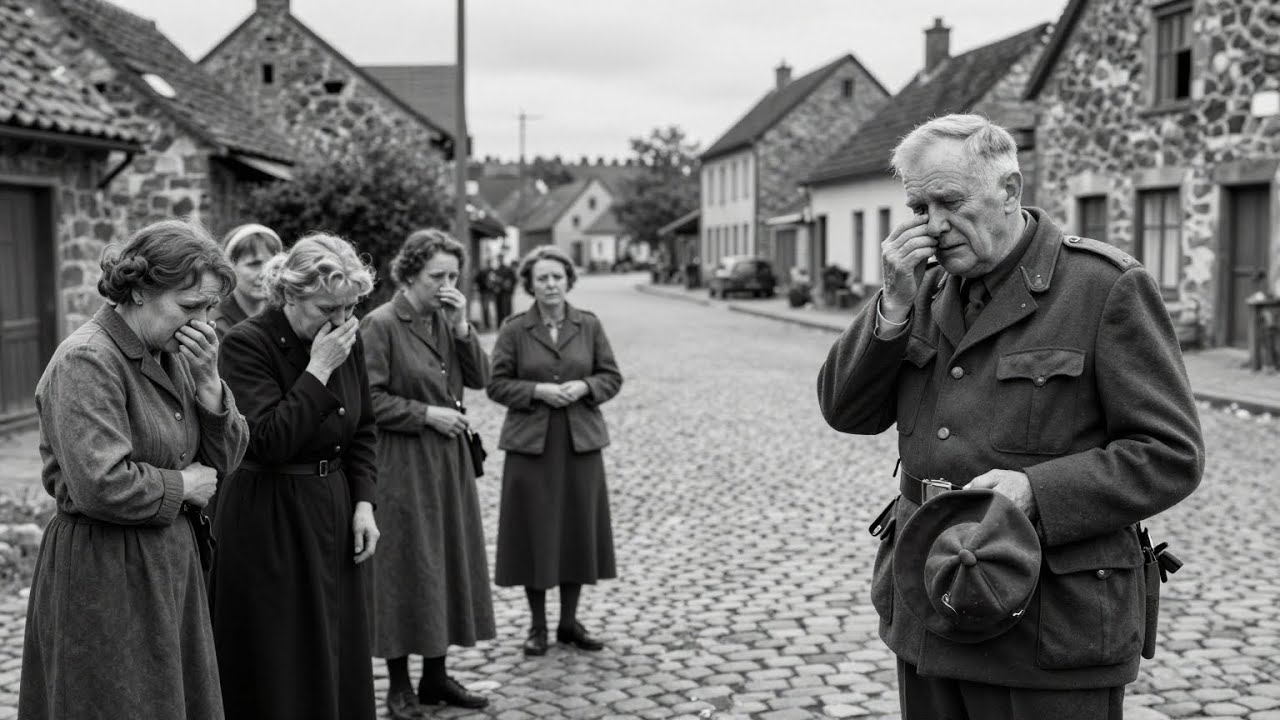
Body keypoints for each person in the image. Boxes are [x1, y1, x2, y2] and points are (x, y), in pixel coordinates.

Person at [816, 114, 1204, 720]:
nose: (933, 225)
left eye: (950, 202)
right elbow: (846, 410)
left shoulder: (1102, 287)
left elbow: (1170, 454)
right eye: (919, 207)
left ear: (1010, 190)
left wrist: (1036, 491)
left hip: (1050, 624)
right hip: (929, 599)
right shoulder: (920, 288)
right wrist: (891, 307)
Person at [19, 219, 249, 720]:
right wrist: (182, 484)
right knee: (114, 702)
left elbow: (226, 461)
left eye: (209, 309)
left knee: (173, 699)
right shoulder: (87, 360)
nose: (203, 324)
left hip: (170, 562)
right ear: (140, 290)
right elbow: (101, 484)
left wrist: (210, 386)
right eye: (189, 307)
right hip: (105, 569)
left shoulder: (177, 355)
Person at [211, 232, 381, 720]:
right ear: (289, 294)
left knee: (338, 647)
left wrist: (364, 503)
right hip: (270, 516)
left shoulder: (347, 336)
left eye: (350, 308)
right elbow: (266, 440)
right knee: (280, 655)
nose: (341, 321)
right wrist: (319, 369)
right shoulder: (246, 343)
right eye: (328, 309)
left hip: (333, 507)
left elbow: (364, 428)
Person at [361, 229, 496, 716]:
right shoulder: (381, 324)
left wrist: (462, 327)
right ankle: (399, 685)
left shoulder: (446, 319)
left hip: (448, 465)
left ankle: (436, 676)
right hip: (402, 464)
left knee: (445, 559)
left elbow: (482, 378)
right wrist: (425, 414)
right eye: (437, 276)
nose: (447, 285)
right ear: (410, 273)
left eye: (454, 276)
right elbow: (367, 399)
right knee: (404, 564)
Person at [488, 244, 623, 657]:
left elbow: (611, 376)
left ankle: (568, 621)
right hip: (531, 448)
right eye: (542, 278)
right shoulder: (514, 329)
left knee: (576, 530)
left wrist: (585, 386)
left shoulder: (589, 325)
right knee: (535, 531)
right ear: (530, 284)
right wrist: (536, 391)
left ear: (569, 281)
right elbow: (496, 384)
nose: (550, 285)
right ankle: (537, 625)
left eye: (557, 277)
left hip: (580, 444)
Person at [210, 223, 283, 339]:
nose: (265, 273)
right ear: (230, 268)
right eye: (254, 264)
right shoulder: (216, 324)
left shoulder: (282, 314)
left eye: (271, 264)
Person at [472, 259, 496, 330]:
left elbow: (495, 280)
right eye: (488, 263)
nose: (488, 264)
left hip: (490, 292)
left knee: (490, 308)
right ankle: (487, 324)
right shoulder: (483, 271)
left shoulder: (492, 270)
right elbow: (476, 280)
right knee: (485, 308)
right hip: (484, 292)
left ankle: (489, 324)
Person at [495, 257, 517, 326]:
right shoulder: (497, 270)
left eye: (500, 259)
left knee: (506, 309)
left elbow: (513, 280)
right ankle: (501, 324)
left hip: (506, 293)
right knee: (500, 309)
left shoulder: (508, 270)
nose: (499, 260)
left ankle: (507, 323)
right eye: (499, 259)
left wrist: (510, 287)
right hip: (499, 293)